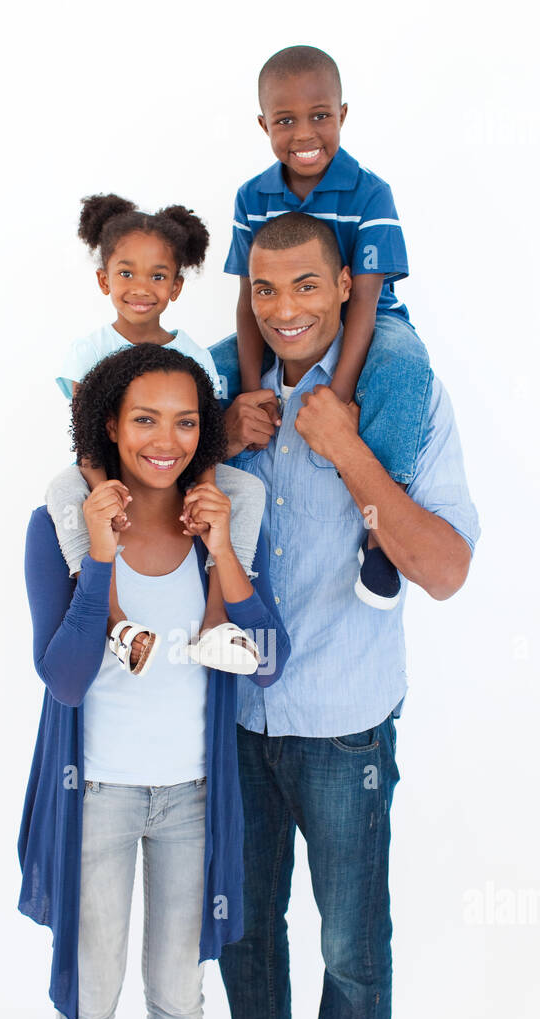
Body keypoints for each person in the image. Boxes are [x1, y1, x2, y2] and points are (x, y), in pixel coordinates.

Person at [196, 213, 480, 1019]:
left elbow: (442, 568)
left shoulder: (397, 393)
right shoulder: (228, 392)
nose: (284, 313)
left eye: (306, 288)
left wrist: (346, 450)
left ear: (347, 288)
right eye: (264, 292)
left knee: (349, 941)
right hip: (232, 716)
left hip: (345, 722)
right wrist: (221, 428)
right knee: (240, 923)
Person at [17, 344, 290, 1019]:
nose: (165, 440)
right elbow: (61, 677)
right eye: (143, 419)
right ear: (108, 426)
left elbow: (269, 658)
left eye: (184, 420)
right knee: (90, 1008)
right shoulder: (61, 527)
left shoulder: (225, 519)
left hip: (191, 799)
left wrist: (218, 551)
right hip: (93, 799)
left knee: (179, 1002)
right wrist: (102, 560)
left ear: (203, 431)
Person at [211, 44, 433, 611]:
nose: (304, 133)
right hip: (282, 322)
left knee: (404, 363)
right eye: (285, 120)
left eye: (320, 116)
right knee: (197, 366)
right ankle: (216, 497)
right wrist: (247, 387)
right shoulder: (251, 196)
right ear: (263, 124)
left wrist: (335, 395)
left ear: (342, 114)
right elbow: (247, 300)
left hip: (369, 317)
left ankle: (382, 535)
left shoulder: (370, 191)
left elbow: (361, 297)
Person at [48, 193, 265, 675]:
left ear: (177, 288)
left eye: (158, 276)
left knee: (245, 490)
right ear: (104, 279)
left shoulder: (194, 354)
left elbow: (201, 432)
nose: (140, 287)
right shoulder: (89, 350)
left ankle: (215, 623)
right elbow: (87, 438)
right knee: (62, 491)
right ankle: (116, 621)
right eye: (126, 273)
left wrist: (206, 488)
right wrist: (103, 488)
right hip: (106, 469)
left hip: (174, 471)